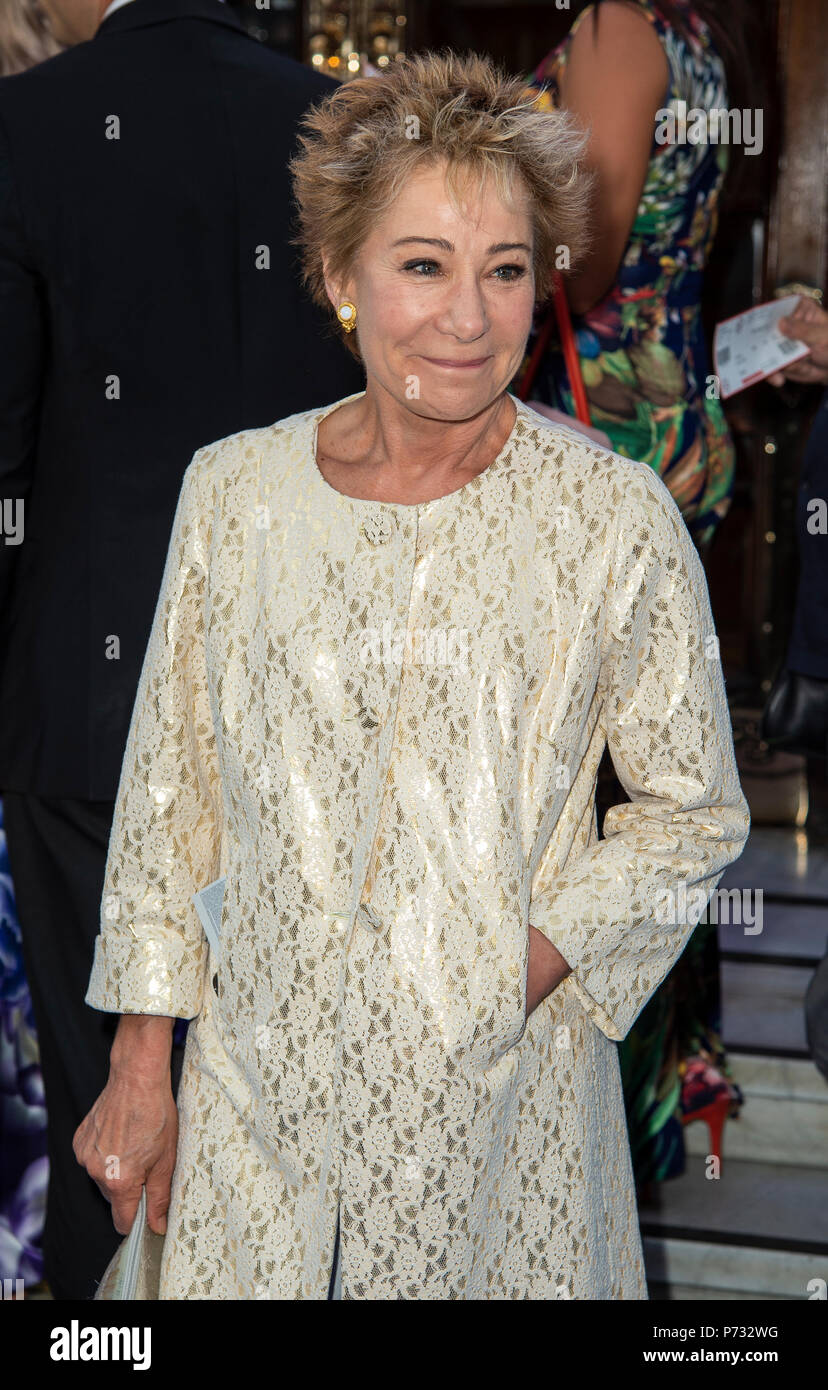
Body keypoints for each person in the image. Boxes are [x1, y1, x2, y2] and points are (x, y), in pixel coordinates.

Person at [75, 49, 750, 1300]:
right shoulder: (234, 494)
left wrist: (512, 969)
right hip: (251, 1106)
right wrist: (139, 1061)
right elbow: (172, 796)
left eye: (504, 270)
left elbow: (694, 811)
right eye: (422, 266)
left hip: (504, 1111)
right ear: (340, 276)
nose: (468, 317)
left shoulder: (610, 519)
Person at [0, 0, 363, 1300]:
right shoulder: (341, 127)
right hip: (322, 699)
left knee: (117, 1119)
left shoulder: (23, 129)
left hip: (90, 714)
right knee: (293, 1106)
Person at [522, 0, 756, 1192]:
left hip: (605, 435)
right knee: (652, 775)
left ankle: (614, 1112)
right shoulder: (700, 35)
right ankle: (667, 1086)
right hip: (666, 423)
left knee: (600, 797)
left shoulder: (616, 29)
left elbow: (586, 249)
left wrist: (480, 180)